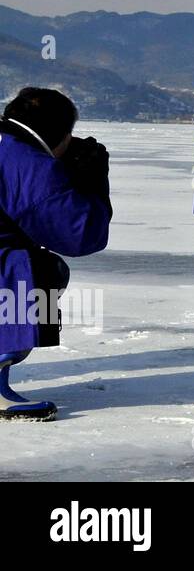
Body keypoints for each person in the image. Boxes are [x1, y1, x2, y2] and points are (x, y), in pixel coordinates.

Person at [0, 88, 111, 421]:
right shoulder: (27, 164)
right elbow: (80, 236)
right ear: (58, 134)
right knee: (42, 272)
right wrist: (92, 182)